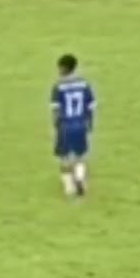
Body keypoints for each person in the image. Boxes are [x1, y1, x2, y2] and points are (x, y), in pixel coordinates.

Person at [51, 54, 96, 198]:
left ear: (63, 68)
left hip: (65, 125)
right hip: (81, 124)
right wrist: (90, 124)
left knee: (64, 158)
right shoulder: (84, 84)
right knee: (80, 156)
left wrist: (56, 126)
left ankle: (69, 188)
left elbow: (56, 110)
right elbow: (90, 107)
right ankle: (80, 178)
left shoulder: (58, 86)